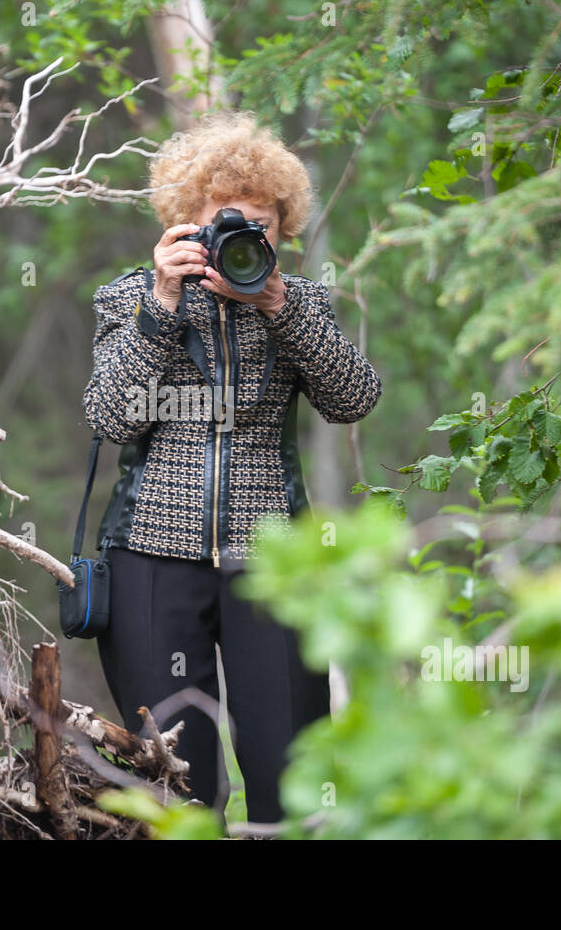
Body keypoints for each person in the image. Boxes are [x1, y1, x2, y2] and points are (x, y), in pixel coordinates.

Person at [81, 110, 382, 826]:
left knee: (289, 767)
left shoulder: (298, 302)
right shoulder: (130, 298)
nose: (249, 236)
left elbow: (354, 398)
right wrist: (161, 306)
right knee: (176, 779)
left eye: (265, 224)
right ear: (188, 222)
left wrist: (281, 307)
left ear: (282, 229)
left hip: (271, 559)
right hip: (152, 558)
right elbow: (109, 416)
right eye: (229, 222)